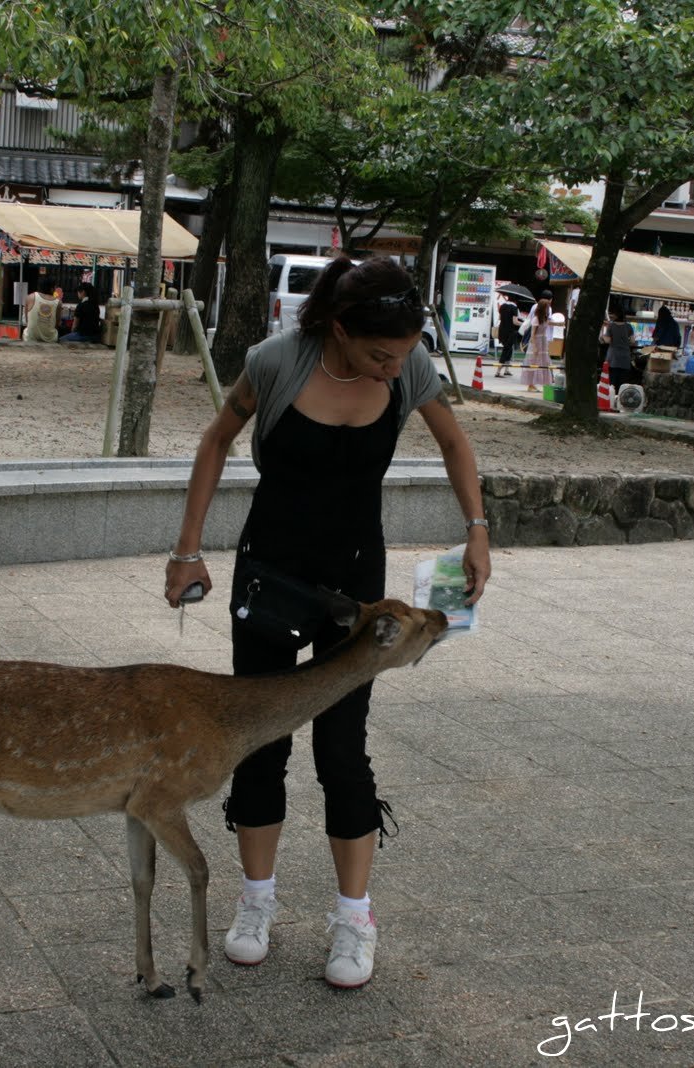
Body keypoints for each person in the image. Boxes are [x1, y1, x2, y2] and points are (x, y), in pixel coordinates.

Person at [162, 255, 490, 991]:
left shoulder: (408, 368)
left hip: (357, 581)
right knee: (258, 738)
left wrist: (477, 528)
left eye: (402, 357)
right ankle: (256, 904)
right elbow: (215, 441)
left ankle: (353, 916)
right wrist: (187, 551)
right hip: (270, 574)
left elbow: (454, 440)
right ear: (339, 329)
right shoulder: (278, 360)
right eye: (379, 355)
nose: (392, 370)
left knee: (343, 749)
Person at [521, 291, 559, 392]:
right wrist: (535, 347)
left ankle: (543, 384)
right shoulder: (536, 319)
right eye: (547, 307)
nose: (548, 308)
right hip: (536, 341)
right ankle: (530, 384)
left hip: (543, 341)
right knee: (533, 362)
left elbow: (550, 323)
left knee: (543, 362)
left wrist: (560, 323)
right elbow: (533, 335)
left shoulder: (544, 318)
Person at [601, 307, 637, 392]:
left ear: (616, 315)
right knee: (622, 384)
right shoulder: (628, 326)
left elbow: (608, 340)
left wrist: (603, 335)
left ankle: (612, 399)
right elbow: (632, 341)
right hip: (625, 358)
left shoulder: (611, 326)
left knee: (612, 383)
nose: (611, 315)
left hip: (613, 358)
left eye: (612, 314)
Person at [22, 277, 60, 342]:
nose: (55, 289)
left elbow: (26, 321)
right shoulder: (58, 302)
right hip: (50, 339)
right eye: (55, 287)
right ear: (52, 288)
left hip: (30, 338)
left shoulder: (30, 297)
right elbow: (57, 324)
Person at [495, 294, 522, 377]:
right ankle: (498, 371)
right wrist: (524, 324)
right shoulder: (514, 308)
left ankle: (507, 369)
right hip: (510, 332)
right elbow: (515, 322)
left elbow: (500, 318)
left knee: (509, 349)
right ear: (515, 301)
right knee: (506, 350)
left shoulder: (502, 306)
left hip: (502, 331)